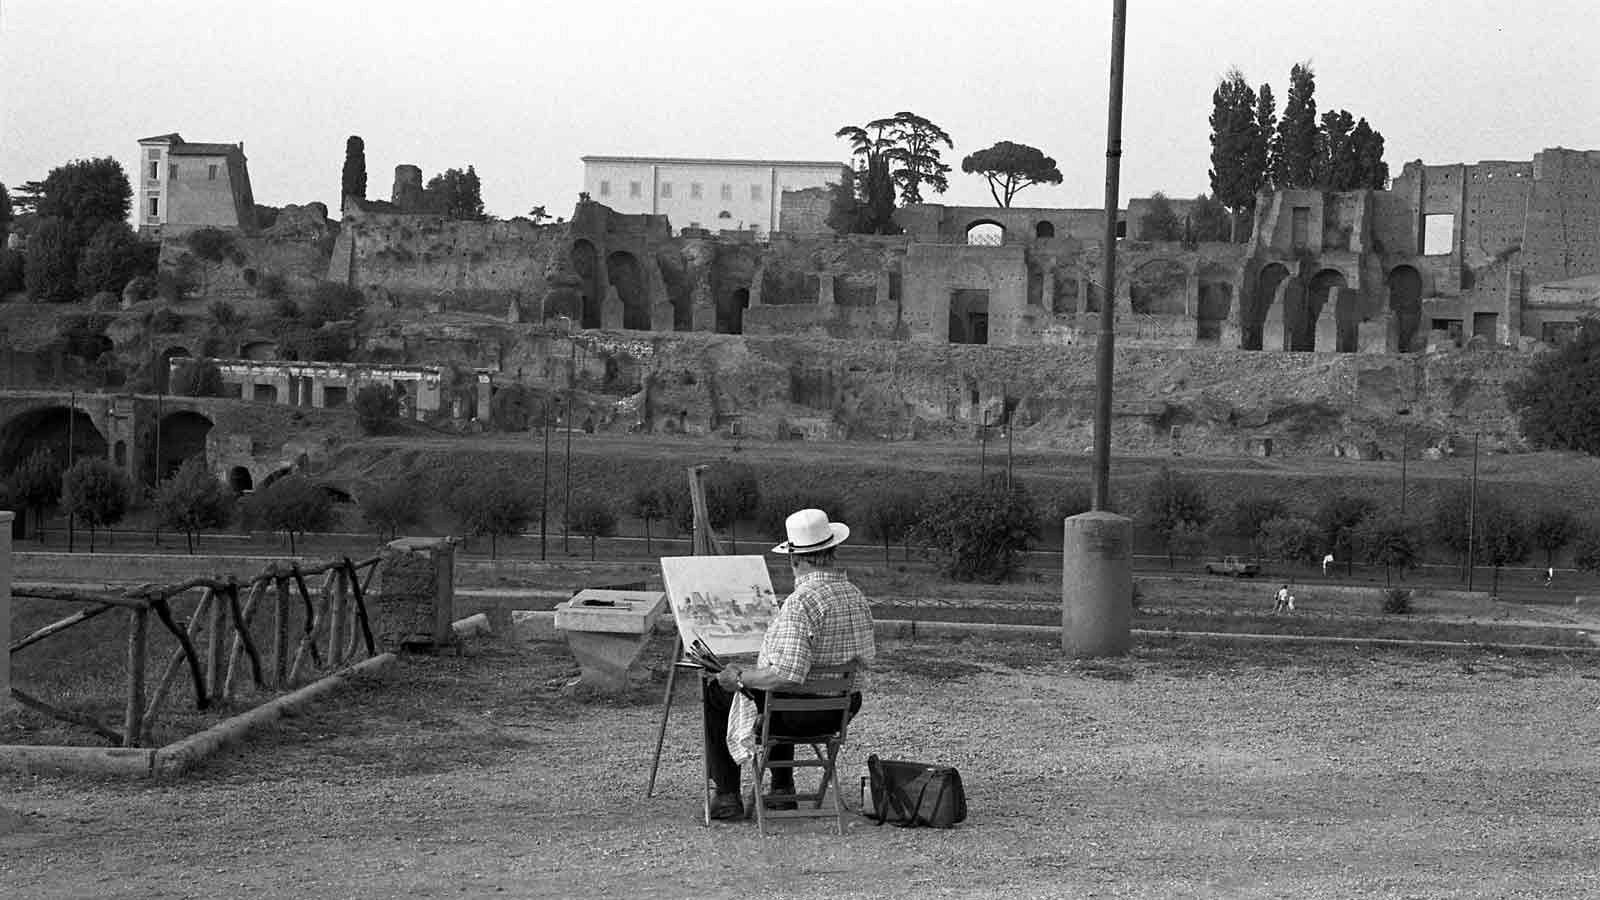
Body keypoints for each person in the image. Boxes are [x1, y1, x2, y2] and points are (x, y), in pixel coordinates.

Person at [701, 508, 876, 821]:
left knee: (721, 689)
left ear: (796, 559)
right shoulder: (855, 595)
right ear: (831, 551)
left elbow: (787, 675)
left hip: (796, 715)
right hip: (841, 710)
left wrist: (740, 676)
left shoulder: (802, 602)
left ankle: (727, 794)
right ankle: (782, 789)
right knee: (769, 694)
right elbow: (866, 660)